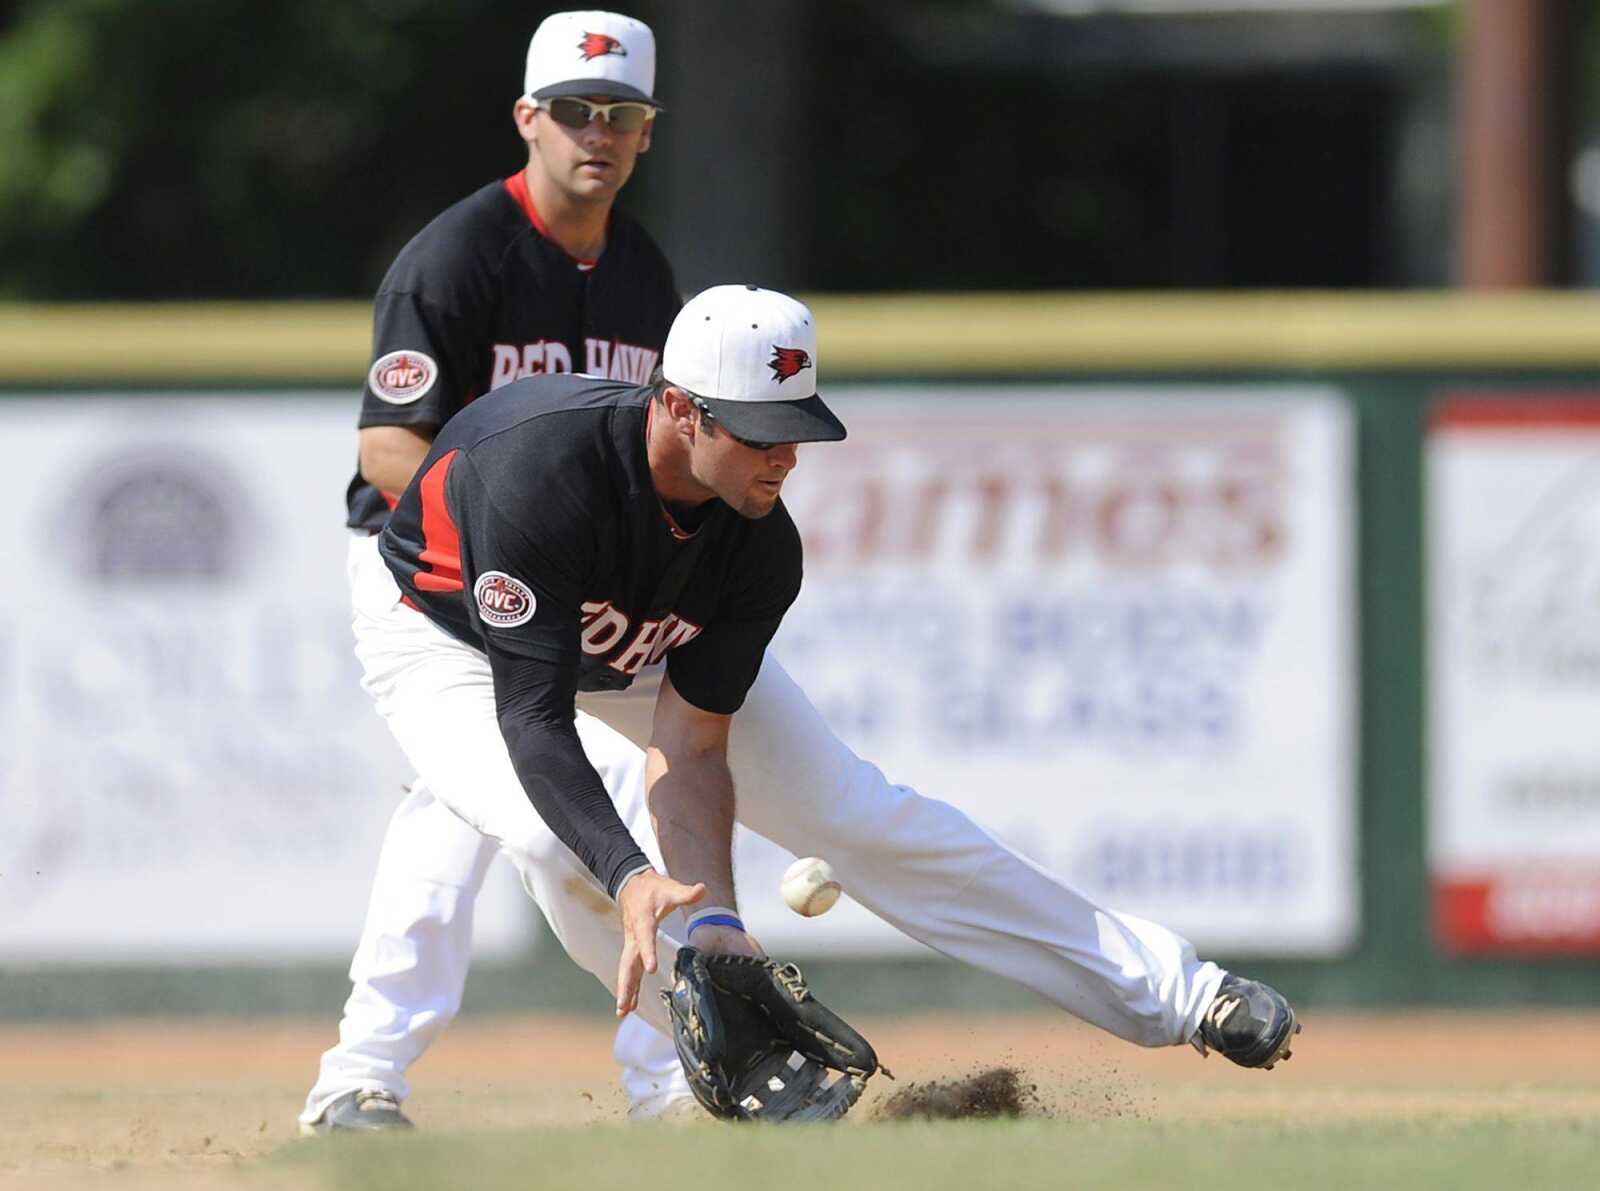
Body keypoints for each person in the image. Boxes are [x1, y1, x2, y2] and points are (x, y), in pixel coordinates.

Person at [309, 281, 1301, 1134]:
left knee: (859, 816)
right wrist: (631, 876)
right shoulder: (543, 475)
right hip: (452, 647)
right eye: (761, 433)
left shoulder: (757, 543)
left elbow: (692, 750)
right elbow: (533, 719)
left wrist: (720, 926)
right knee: (562, 846)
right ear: (679, 409)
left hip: (634, 638)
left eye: (799, 430)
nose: (784, 459)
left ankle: (1183, 996)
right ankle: (717, 1079)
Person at [300, 9, 683, 1134]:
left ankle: (358, 1079)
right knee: (551, 820)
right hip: (423, 570)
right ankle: (674, 1073)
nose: (594, 133)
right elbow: (388, 446)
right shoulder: (457, 257)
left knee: (450, 808)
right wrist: (503, 557)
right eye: (572, 111)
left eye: (619, 114)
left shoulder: (642, 272)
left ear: (647, 133)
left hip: (553, 577)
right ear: (529, 118)